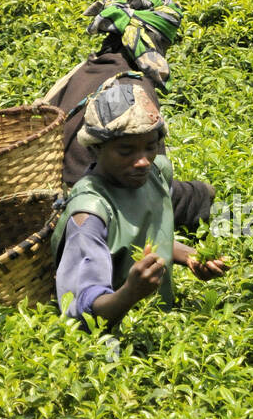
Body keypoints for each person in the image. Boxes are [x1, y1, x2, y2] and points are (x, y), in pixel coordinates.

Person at [52, 74, 227, 326]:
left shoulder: (156, 173)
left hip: (161, 327)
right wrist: (130, 293)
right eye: (126, 151)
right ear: (95, 148)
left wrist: (190, 256)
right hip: (113, 350)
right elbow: (82, 311)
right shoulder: (89, 214)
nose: (143, 160)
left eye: (150, 147)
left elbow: (142, 236)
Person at [40, 0, 216, 230]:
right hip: (101, 197)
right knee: (201, 196)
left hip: (61, 190)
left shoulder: (84, 69)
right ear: (155, 40)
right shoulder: (133, 85)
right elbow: (149, 177)